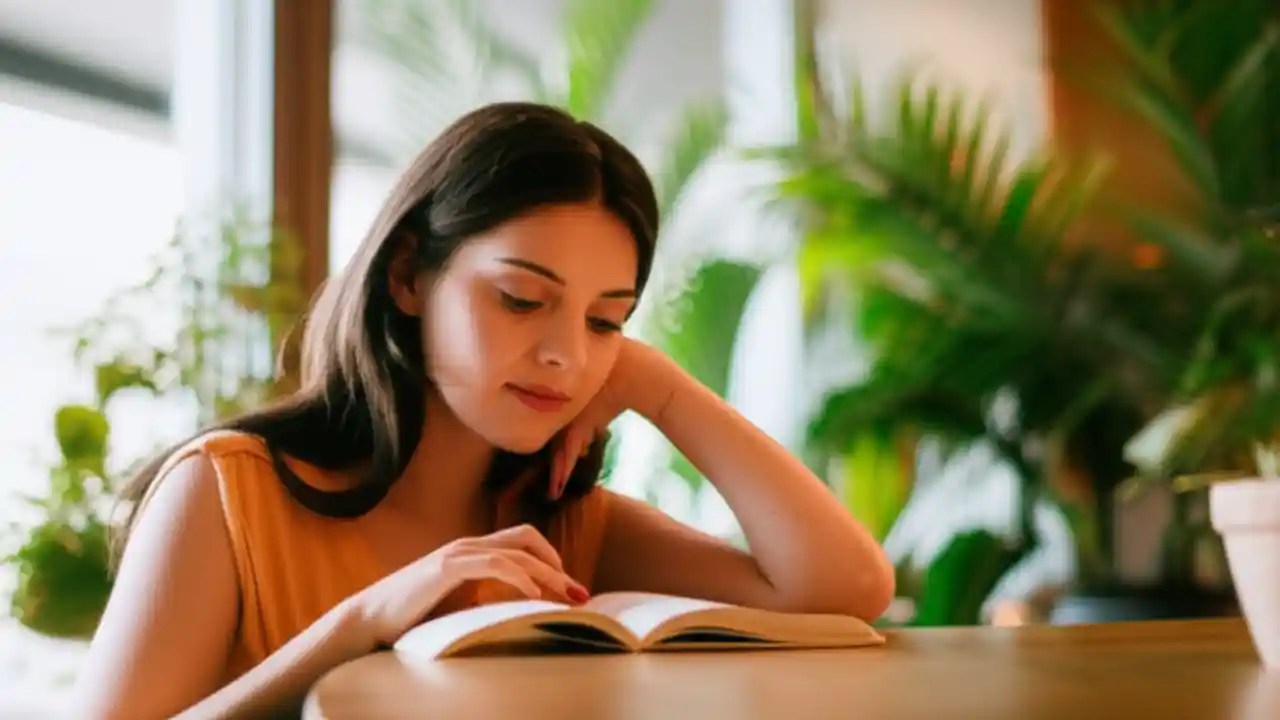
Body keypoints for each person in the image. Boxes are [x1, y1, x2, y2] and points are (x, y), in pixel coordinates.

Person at [74, 102, 894, 718]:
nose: (567, 356)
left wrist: (658, 387)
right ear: (408, 277)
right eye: (520, 298)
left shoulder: (565, 526)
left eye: (606, 320)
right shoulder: (226, 494)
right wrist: (362, 623)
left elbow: (846, 586)